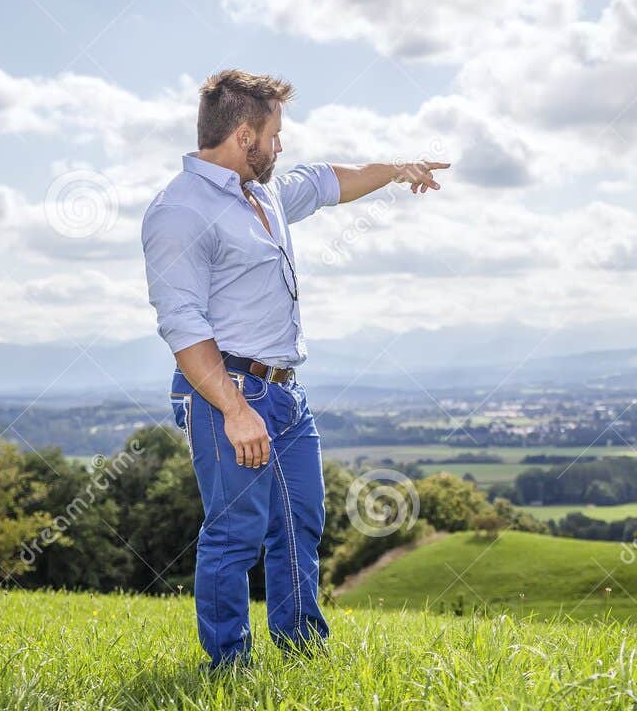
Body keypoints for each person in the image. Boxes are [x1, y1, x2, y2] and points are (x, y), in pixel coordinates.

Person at [141, 69, 446, 669]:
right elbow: (182, 326)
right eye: (276, 135)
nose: (282, 147)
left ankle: (302, 652)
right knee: (235, 535)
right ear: (245, 135)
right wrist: (234, 409)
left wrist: (399, 170)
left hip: (286, 392)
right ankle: (227, 667)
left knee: (300, 524)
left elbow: (332, 180)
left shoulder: (264, 194)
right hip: (226, 392)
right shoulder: (180, 210)